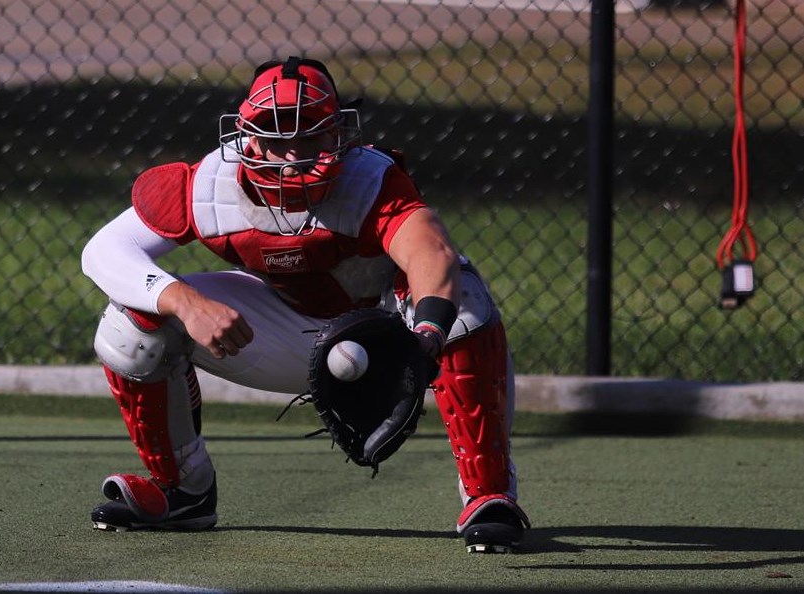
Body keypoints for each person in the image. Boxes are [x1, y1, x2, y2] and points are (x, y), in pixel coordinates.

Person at [81, 56, 530, 553]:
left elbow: (432, 252)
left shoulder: (370, 180)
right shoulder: (208, 186)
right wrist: (184, 302)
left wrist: (424, 342)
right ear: (247, 137)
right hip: (284, 334)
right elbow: (104, 250)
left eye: (310, 136)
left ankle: (487, 493)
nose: (292, 156)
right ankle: (182, 492)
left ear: (338, 134)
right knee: (128, 324)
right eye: (276, 137)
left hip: (388, 337)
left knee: (462, 303)